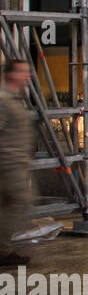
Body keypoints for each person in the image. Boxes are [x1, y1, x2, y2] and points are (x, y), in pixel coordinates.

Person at [0, 60, 35, 267]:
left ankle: (4, 248)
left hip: (14, 162)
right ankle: (3, 250)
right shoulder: (4, 101)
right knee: (19, 203)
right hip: (8, 164)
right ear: (11, 74)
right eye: (23, 71)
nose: (28, 75)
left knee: (9, 206)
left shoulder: (14, 99)